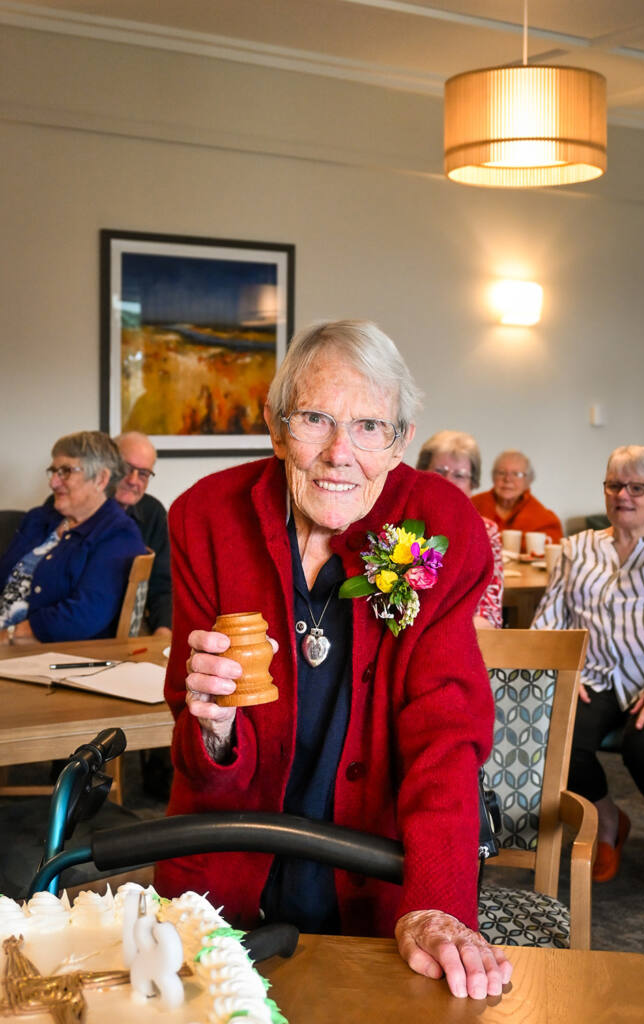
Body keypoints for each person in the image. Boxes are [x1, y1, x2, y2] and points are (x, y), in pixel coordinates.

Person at [154, 320, 512, 1000]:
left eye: (370, 426)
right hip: (227, 862)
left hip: (375, 872)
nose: (339, 454)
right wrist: (214, 729)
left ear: (400, 441)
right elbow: (194, 744)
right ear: (274, 424)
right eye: (315, 418)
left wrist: (436, 902)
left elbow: (445, 733)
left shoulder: (442, 523)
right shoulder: (206, 517)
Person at [532, 445, 644, 892]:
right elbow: (548, 622)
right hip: (592, 677)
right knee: (556, 737)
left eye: (637, 487)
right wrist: (560, 672)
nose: (623, 495)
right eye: (615, 485)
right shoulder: (577, 548)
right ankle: (609, 822)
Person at [0, 431, 145, 644]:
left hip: (47, 654)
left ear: (101, 479)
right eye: (53, 471)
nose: (53, 483)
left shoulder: (118, 534)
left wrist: (10, 634)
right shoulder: (38, 519)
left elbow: (85, 614)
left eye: (66, 471)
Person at [416, 430, 503, 629]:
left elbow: (489, 611)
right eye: (439, 471)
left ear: (473, 484)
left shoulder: (486, 531)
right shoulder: (403, 524)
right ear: (422, 473)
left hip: (464, 636)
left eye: (459, 475)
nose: (448, 481)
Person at [114, 431, 172, 639]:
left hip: (134, 631)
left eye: (143, 474)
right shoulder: (78, 506)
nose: (133, 480)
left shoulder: (152, 512)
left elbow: (163, 585)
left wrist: (163, 632)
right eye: (126, 468)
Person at [472, 449, 563, 548]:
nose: (508, 479)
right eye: (501, 473)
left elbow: (554, 549)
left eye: (516, 474)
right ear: (493, 477)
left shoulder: (544, 519)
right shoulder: (472, 506)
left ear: (528, 480)